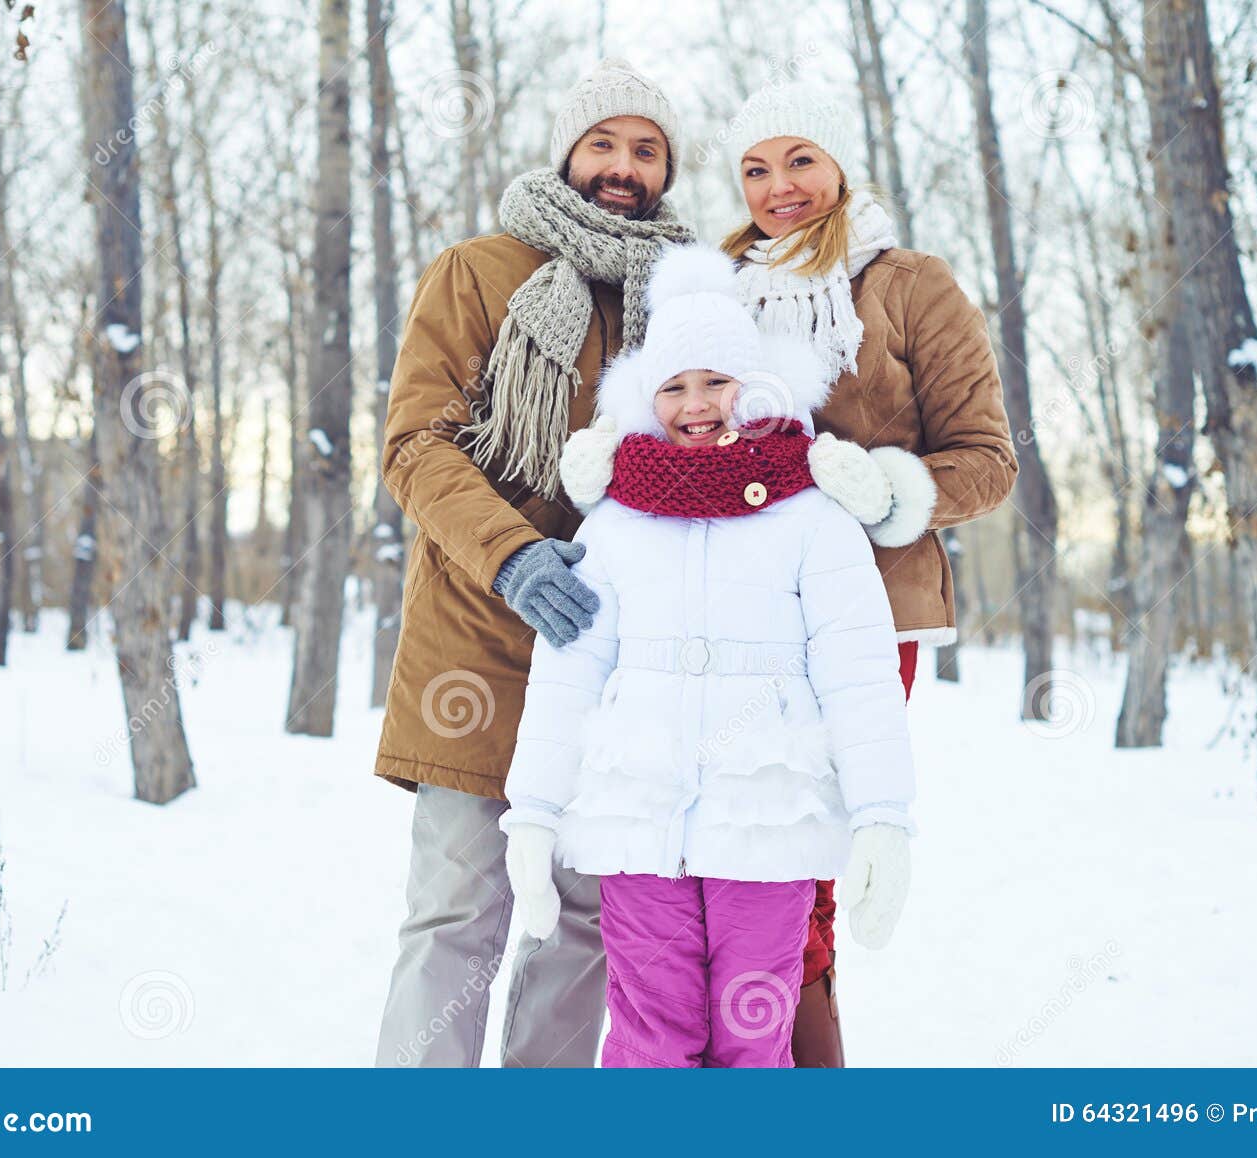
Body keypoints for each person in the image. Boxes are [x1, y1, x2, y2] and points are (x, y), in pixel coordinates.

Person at [499, 244, 917, 1067]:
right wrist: (534, 814)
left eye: (716, 382)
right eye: (675, 386)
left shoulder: (813, 518)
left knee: (752, 1036)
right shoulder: (615, 523)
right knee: (652, 1035)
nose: (697, 405)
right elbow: (568, 674)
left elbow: (860, 676)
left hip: (768, 827)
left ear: (755, 383)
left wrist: (882, 819)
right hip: (639, 826)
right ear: (646, 399)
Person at [373, 59, 694, 1068]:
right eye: (603, 143)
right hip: (476, 634)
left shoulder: (689, 295)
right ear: (566, 152)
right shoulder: (479, 271)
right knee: (457, 910)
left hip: (616, 656)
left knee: (587, 919)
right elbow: (415, 445)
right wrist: (511, 556)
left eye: (645, 151)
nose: (622, 167)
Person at [719, 83, 1019, 1066]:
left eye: (798, 159)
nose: (778, 188)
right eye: (754, 169)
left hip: (863, 614)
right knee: (722, 856)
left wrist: (881, 487)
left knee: (804, 860)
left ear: (840, 165)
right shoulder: (708, 283)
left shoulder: (907, 284)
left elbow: (985, 459)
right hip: (723, 615)